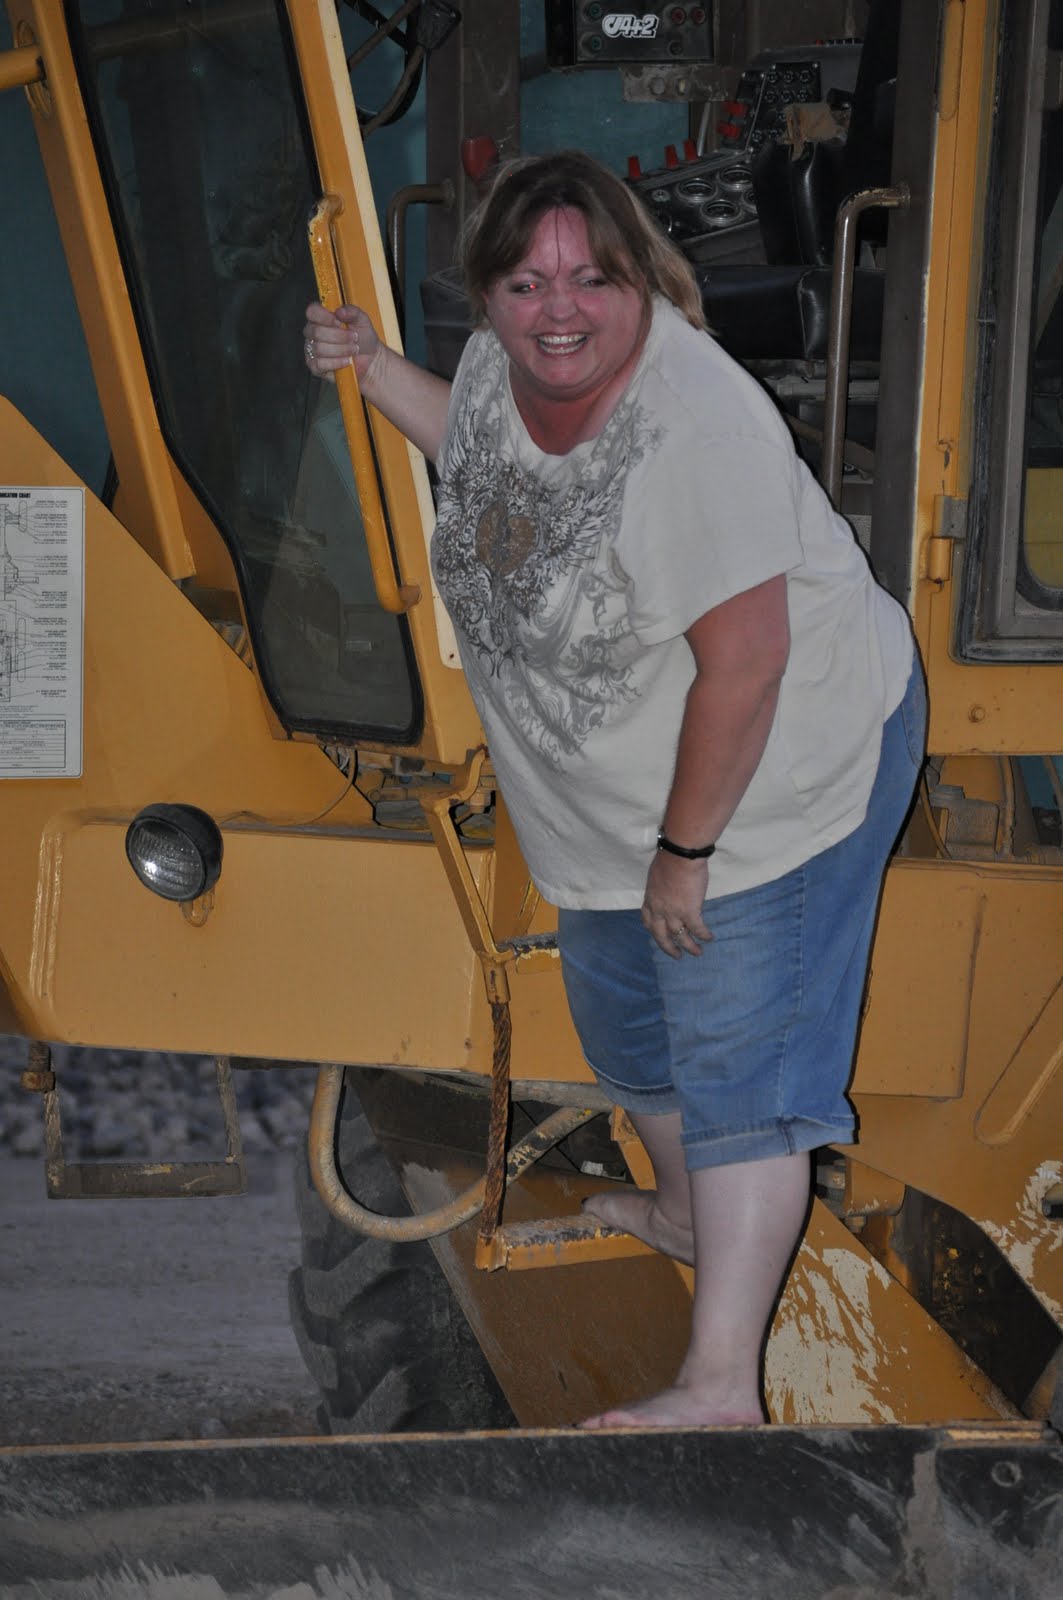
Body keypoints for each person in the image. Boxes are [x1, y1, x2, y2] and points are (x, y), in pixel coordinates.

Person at [302, 149, 924, 1430]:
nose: (559, 308)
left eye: (591, 277)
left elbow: (746, 667)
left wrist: (686, 851)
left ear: (640, 279)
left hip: (768, 776)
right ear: (488, 295)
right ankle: (690, 1213)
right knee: (634, 1032)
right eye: (527, 281)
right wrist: (369, 369)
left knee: (737, 1065)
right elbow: (479, 459)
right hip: (610, 808)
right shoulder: (496, 372)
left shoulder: (691, 428)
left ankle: (717, 1385)